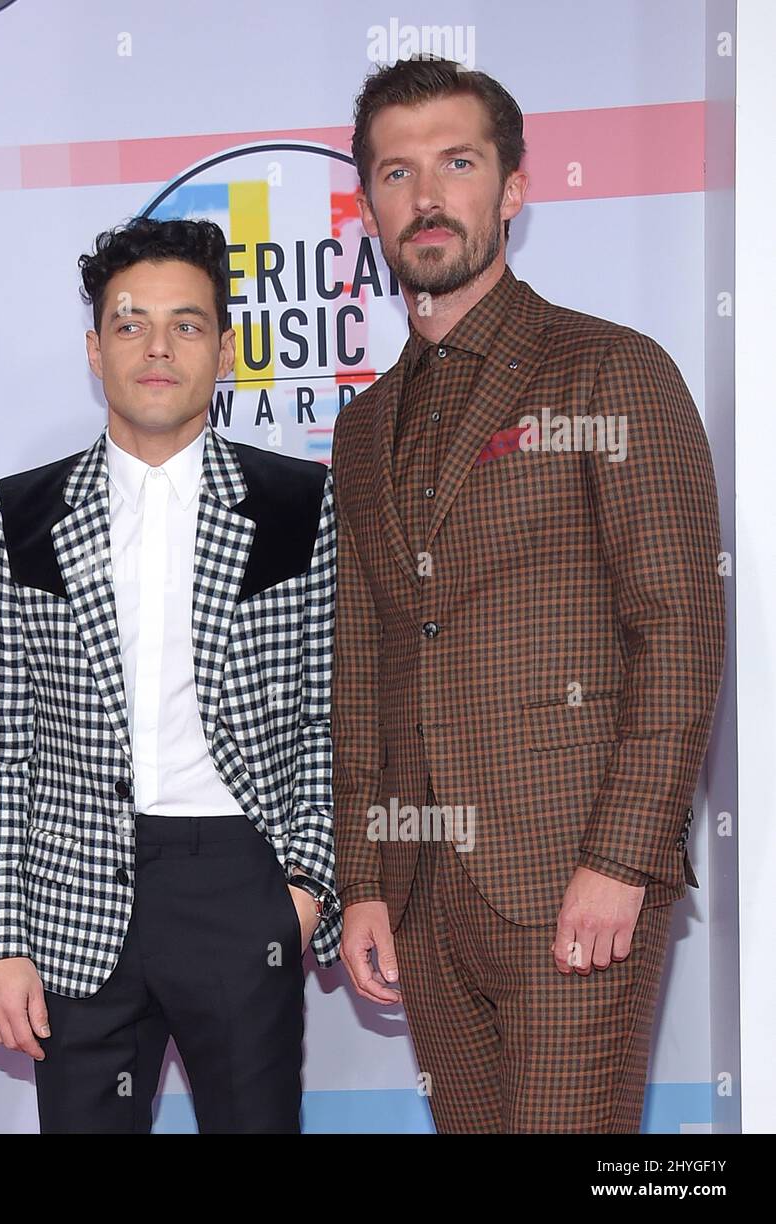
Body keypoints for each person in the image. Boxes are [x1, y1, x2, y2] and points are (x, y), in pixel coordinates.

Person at [332, 56, 726, 1132]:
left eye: (456, 163)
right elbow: (365, 663)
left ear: (511, 188)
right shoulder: (364, 427)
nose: (426, 197)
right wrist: (364, 877)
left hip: (571, 878)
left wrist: (620, 858)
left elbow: (679, 630)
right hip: (420, 896)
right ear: (367, 202)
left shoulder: (608, 369)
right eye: (395, 171)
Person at [0, 216, 340, 1133]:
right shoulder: (24, 515)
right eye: (131, 324)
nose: (158, 347)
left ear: (226, 347)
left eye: (188, 324)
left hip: (242, 888)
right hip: (74, 893)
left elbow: (333, 712)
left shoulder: (298, 504)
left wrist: (304, 885)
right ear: (95, 348)